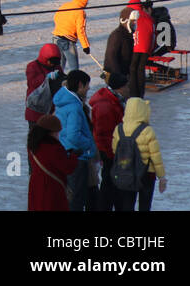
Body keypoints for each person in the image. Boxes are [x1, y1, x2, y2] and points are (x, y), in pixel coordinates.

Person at [112, 97, 167, 211]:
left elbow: (115, 151)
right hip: (147, 174)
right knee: (145, 205)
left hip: (126, 172)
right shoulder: (147, 130)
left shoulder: (119, 129)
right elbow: (155, 156)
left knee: (127, 204)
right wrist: (162, 177)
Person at [53, 70, 96, 211]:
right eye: (87, 85)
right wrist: (89, 144)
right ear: (80, 85)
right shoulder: (74, 108)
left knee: (73, 196)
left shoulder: (65, 102)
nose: (89, 88)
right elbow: (73, 136)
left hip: (67, 154)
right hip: (77, 157)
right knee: (77, 199)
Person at [90, 72, 128, 211]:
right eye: (126, 86)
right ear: (120, 87)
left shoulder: (113, 99)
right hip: (109, 152)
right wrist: (112, 153)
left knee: (112, 185)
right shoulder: (106, 105)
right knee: (108, 186)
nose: (128, 88)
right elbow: (103, 134)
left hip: (112, 150)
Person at [27, 114, 78, 211]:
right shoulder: (53, 148)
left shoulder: (33, 145)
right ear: (50, 132)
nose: (58, 135)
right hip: (51, 187)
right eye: (57, 132)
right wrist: (74, 156)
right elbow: (68, 167)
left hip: (36, 184)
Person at [25, 43, 66, 126]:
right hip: (36, 108)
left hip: (51, 108)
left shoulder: (57, 67)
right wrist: (46, 77)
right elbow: (32, 83)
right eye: (51, 62)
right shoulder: (32, 66)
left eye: (55, 63)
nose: (52, 64)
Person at [126, 0, 153, 99]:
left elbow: (128, 32)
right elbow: (152, 34)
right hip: (145, 49)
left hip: (134, 48)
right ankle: (141, 94)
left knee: (132, 70)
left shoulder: (131, 16)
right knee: (140, 71)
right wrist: (150, 49)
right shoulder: (147, 17)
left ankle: (133, 94)